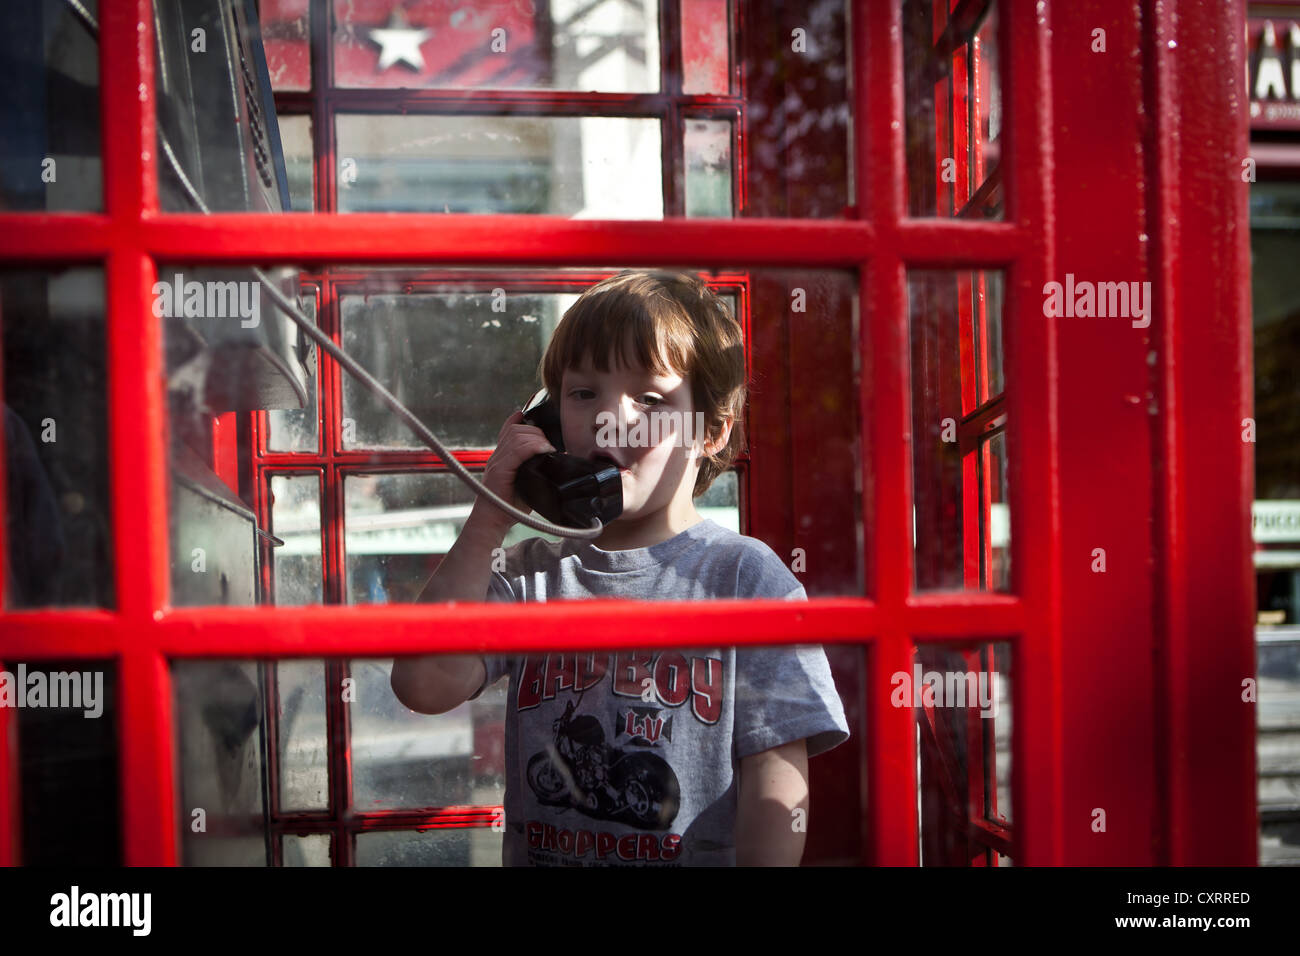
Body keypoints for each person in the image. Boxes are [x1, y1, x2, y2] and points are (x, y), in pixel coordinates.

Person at [391, 270, 849, 866]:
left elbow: (776, 776)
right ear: (547, 423)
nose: (612, 418)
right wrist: (492, 514)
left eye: (651, 400)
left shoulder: (744, 579)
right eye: (583, 395)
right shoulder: (530, 574)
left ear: (710, 431)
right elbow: (423, 686)